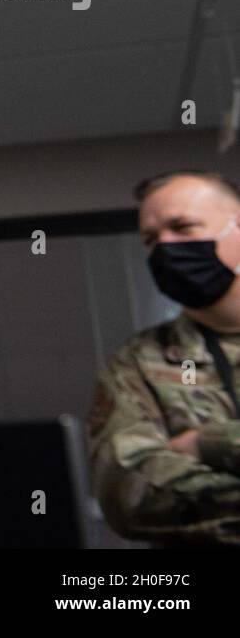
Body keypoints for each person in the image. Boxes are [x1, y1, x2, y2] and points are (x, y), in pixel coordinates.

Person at [87, 170, 240, 545]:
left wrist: (208, 442)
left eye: (183, 227)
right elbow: (132, 493)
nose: (164, 249)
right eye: (151, 240)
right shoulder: (138, 363)